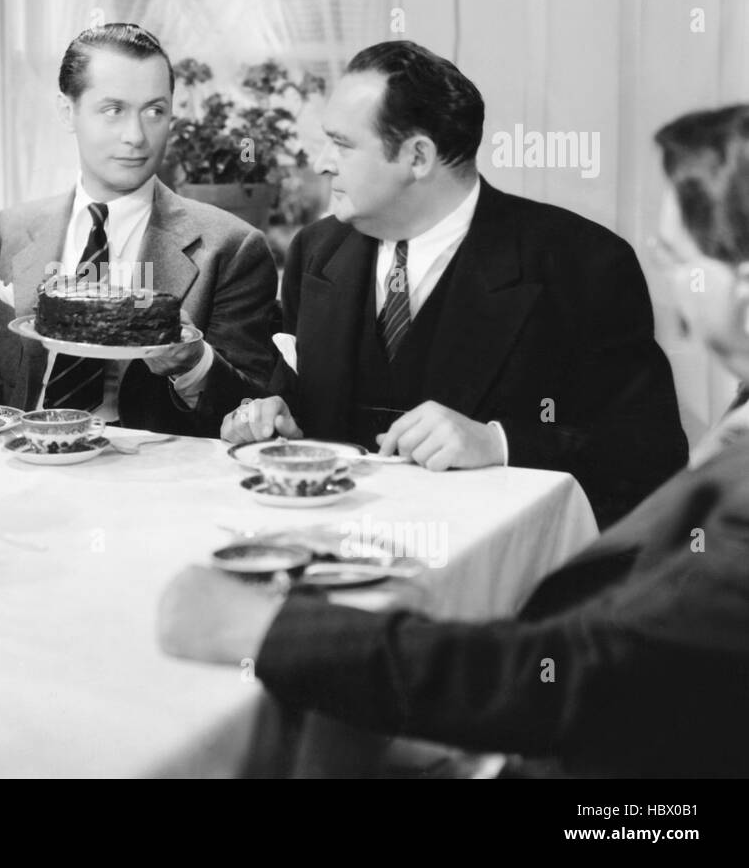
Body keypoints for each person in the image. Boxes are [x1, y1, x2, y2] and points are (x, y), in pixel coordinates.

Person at [158, 103, 749, 779]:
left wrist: (265, 631)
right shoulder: (320, 251)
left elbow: (585, 668)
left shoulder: (580, 260)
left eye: (679, 261)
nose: (672, 287)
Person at [221, 40, 686, 527]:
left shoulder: (583, 264)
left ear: (418, 156)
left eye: (341, 144)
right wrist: (276, 415)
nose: (321, 162)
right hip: (329, 556)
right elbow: (302, 404)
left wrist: (498, 443)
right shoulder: (315, 251)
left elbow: (651, 457)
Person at [0, 24, 278, 435]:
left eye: (154, 111)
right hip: (28, 460)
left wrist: (193, 362)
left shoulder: (231, 247)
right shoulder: (9, 231)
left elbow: (250, 410)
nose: (136, 136)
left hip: (152, 479)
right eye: (114, 110)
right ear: (67, 112)